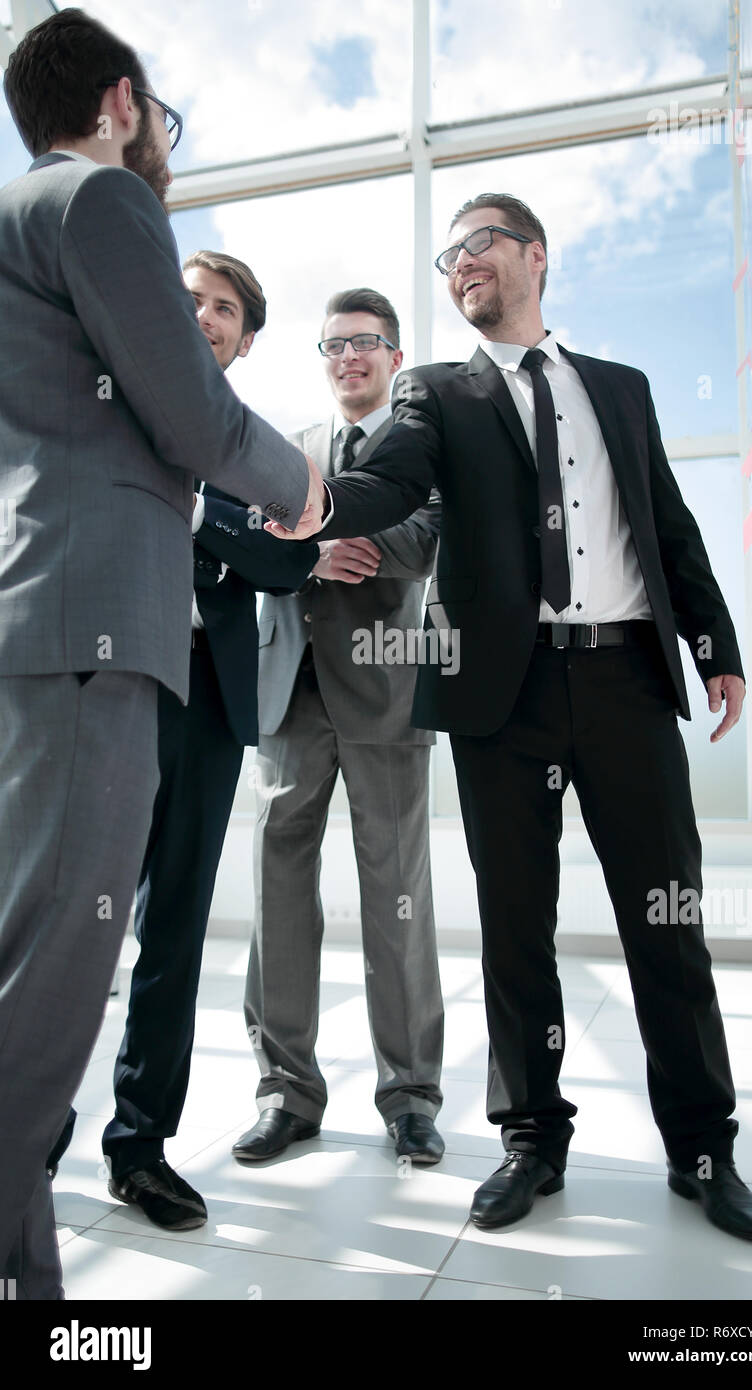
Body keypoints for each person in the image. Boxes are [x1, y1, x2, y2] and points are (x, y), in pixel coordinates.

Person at [272, 194, 752, 1241]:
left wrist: (715, 649)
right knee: (516, 930)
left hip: (627, 682)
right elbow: (392, 478)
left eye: (479, 245)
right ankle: (531, 1137)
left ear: (535, 256)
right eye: (447, 255)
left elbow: (669, 523)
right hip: (506, 693)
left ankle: (701, 1142)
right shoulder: (437, 391)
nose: (460, 265)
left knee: (666, 921)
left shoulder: (622, 391)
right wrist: (311, 503)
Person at [0, 9, 318, 1300]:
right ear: (122, 101)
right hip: (98, 631)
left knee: (39, 945)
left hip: (56, 623)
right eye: (163, 124)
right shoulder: (103, 201)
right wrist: (299, 483)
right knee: (55, 972)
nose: (165, 151)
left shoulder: (20, 215)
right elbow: (188, 408)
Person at [98, 251, 320, 1231]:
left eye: (224, 308)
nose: (204, 316)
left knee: (172, 932)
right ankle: (28, 1141)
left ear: (245, 336)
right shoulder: (96, 402)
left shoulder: (247, 449)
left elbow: (289, 555)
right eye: (188, 299)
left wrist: (193, 505)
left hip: (200, 705)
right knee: (58, 922)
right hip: (94, 689)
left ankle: (139, 1148)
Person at [233, 289, 445, 1167]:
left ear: (394, 357)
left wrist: (347, 536)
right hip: (290, 690)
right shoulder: (286, 450)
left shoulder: (424, 445)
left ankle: (408, 1097)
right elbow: (250, 529)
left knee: (396, 895)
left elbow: (432, 531)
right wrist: (306, 550)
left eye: (365, 343)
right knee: (278, 894)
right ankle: (285, 1092)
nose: (347, 356)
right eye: (333, 345)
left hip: (386, 694)